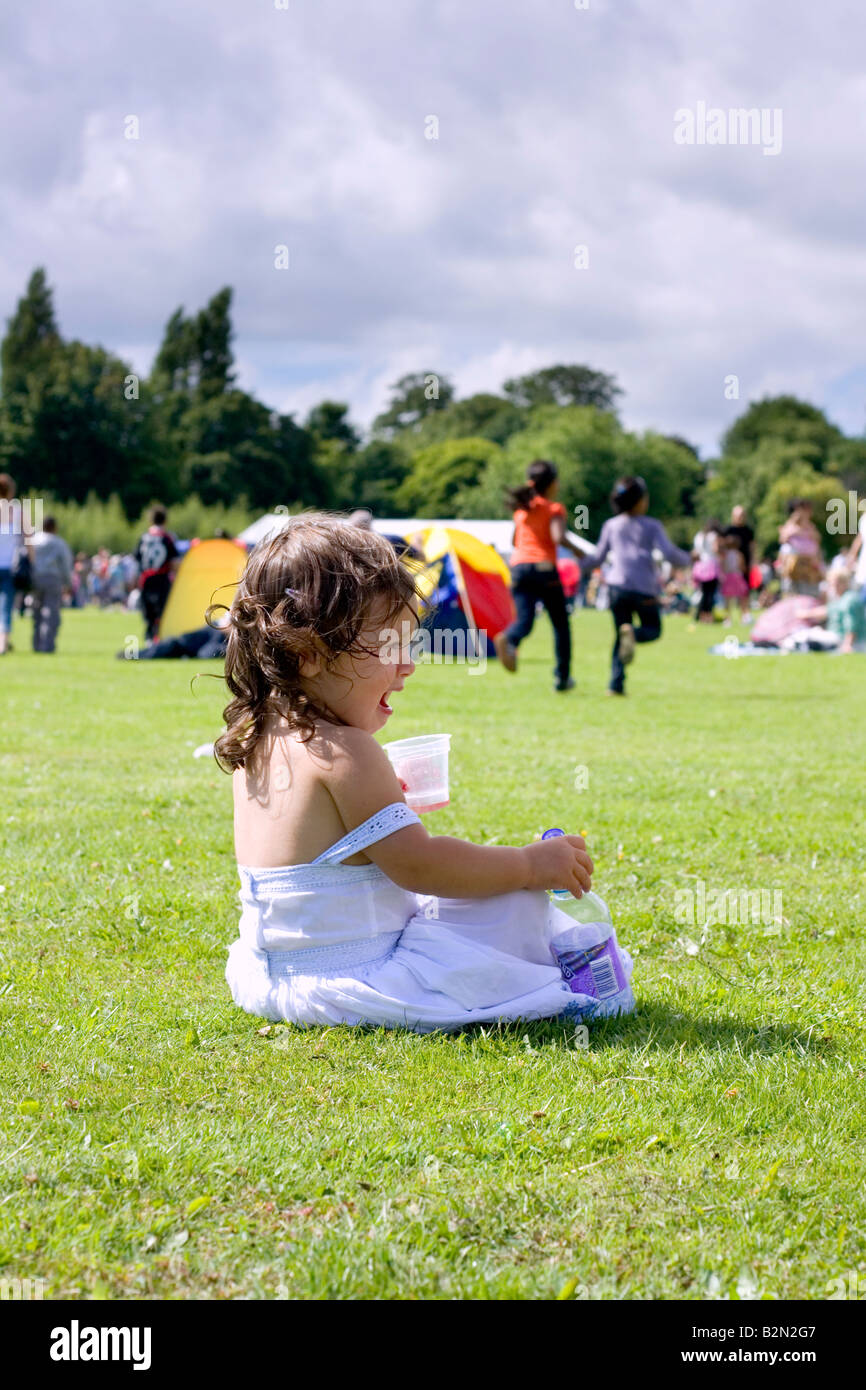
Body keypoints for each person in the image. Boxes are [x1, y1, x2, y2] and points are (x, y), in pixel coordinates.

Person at [218, 514, 634, 1032]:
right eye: (389, 647)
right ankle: (567, 974)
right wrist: (530, 865)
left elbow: (319, 855)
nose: (408, 665)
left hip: (272, 979)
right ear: (308, 655)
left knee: (467, 900)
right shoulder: (348, 751)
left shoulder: (258, 741)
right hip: (360, 980)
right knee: (514, 901)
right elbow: (421, 866)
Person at [590, 476, 693, 696]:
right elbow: (668, 553)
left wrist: (576, 564)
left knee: (620, 637)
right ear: (639, 500)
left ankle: (615, 685)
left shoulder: (611, 525)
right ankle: (634, 634)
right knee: (652, 629)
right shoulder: (651, 525)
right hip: (643, 586)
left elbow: (597, 557)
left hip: (616, 587)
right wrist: (689, 558)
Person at [494, 460, 584, 691]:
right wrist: (578, 551)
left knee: (525, 621)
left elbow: (515, 541)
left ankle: (510, 639)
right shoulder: (554, 509)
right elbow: (557, 537)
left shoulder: (521, 509)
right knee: (561, 625)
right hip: (544, 568)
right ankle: (563, 678)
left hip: (520, 567)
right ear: (552, 484)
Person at [135, 505, 179, 641]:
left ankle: (149, 638)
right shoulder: (167, 538)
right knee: (162, 613)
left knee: (148, 613)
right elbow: (174, 562)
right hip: (161, 579)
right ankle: (158, 639)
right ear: (165, 521)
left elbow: (137, 559)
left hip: (146, 580)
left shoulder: (144, 538)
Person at [29, 516, 73, 653]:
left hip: (34, 578)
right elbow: (65, 564)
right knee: (51, 612)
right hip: (52, 579)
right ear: (54, 527)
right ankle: (47, 646)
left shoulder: (33, 540)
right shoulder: (58, 543)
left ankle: (36, 644)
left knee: (36, 612)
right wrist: (68, 583)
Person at [799, 570, 866, 653]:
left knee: (804, 636)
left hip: (846, 640)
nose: (832, 586)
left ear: (844, 583)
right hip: (837, 637)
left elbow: (852, 624)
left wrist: (847, 644)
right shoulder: (841, 598)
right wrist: (806, 613)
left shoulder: (850, 600)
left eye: (835, 583)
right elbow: (826, 610)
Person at [0, 473, 26, 655]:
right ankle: (2, 644)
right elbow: (28, 540)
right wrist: (31, 563)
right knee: (6, 607)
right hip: (10, 567)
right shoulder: (17, 511)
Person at [778, 498, 824, 596]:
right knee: (793, 593)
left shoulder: (811, 526)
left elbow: (817, 539)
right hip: (795, 564)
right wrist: (799, 531)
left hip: (809, 564)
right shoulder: (791, 524)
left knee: (810, 593)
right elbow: (783, 538)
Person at [691, 520, 721, 622]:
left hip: (700, 566)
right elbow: (715, 550)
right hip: (711, 566)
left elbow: (695, 552)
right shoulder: (713, 536)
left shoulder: (698, 536)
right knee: (710, 594)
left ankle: (700, 614)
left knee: (703, 592)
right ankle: (707, 616)